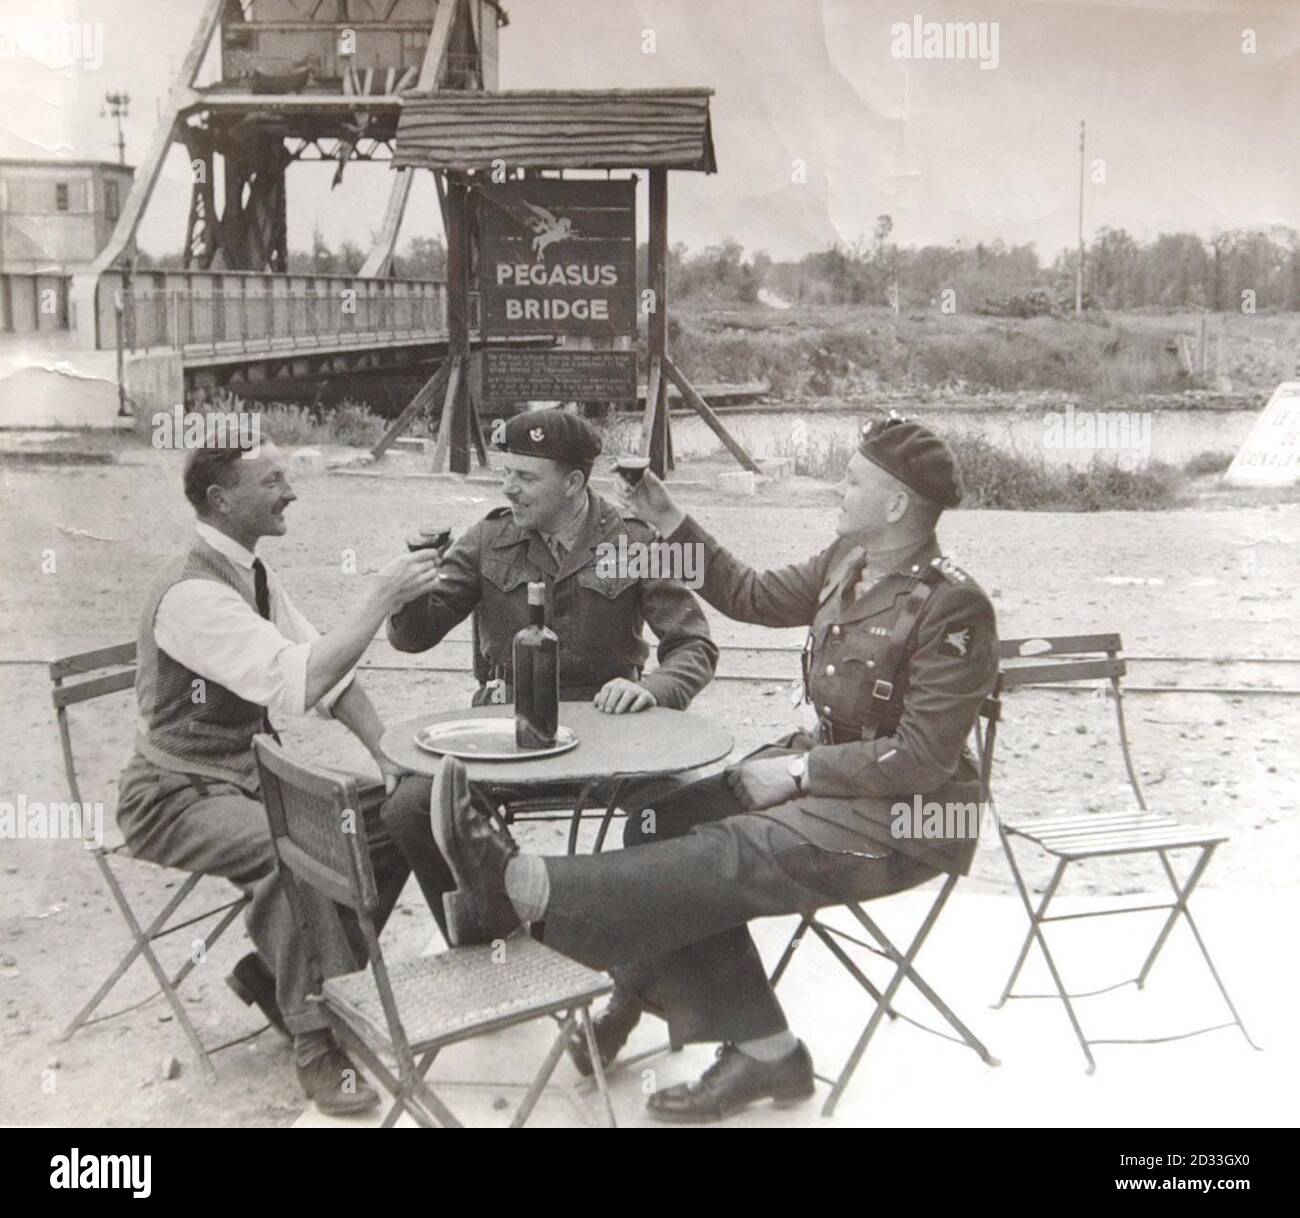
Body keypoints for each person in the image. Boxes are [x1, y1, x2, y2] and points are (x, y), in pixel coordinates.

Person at [429, 415, 1000, 1123]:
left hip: (912, 819)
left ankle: (524, 886)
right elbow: (749, 594)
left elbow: (921, 756)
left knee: (727, 854)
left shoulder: (954, 605)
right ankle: (744, 1041)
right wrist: (671, 520)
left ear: (895, 505)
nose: (838, 489)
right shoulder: (846, 561)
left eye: (852, 481)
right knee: (658, 820)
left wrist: (800, 773)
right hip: (833, 782)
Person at [117, 434, 441, 1116]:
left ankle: (278, 976)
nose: (290, 492)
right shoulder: (191, 593)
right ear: (220, 498)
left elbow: (330, 671)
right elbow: (298, 682)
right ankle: (317, 1041)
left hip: (245, 781)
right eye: (271, 482)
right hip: (173, 795)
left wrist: (387, 758)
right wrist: (379, 598)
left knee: (399, 808)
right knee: (294, 846)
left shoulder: (252, 573)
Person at [380, 407, 718, 933]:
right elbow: (415, 637)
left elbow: (693, 643)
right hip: (506, 731)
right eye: (505, 473)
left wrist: (654, 689)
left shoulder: (633, 541)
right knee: (411, 806)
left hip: (610, 732)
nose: (508, 489)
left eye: (525, 477)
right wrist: (409, 590)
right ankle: (489, 938)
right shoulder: (488, 538)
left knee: (685, 811)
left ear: (573, 483)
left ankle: (639, 945)